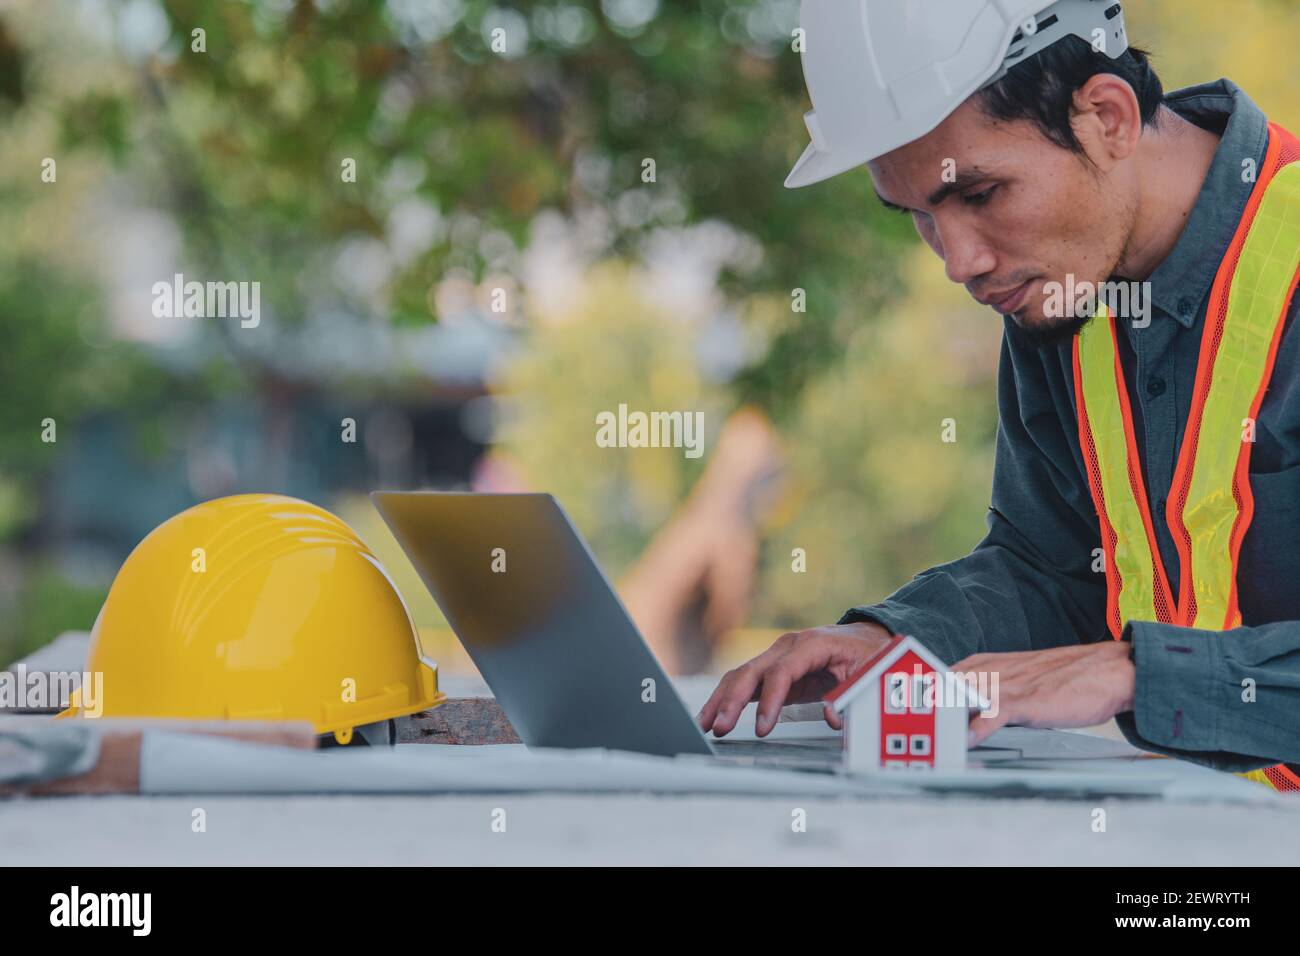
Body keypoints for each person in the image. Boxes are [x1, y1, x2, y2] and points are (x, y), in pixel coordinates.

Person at [699, 0, 1300, 790]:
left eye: (979, 194)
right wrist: (900, 640)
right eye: (920, 215)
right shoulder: (1064, 294)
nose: (960, 262)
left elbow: (1124, 658)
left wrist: (1137, 673)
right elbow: (1057, 571)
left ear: (1108, 118)